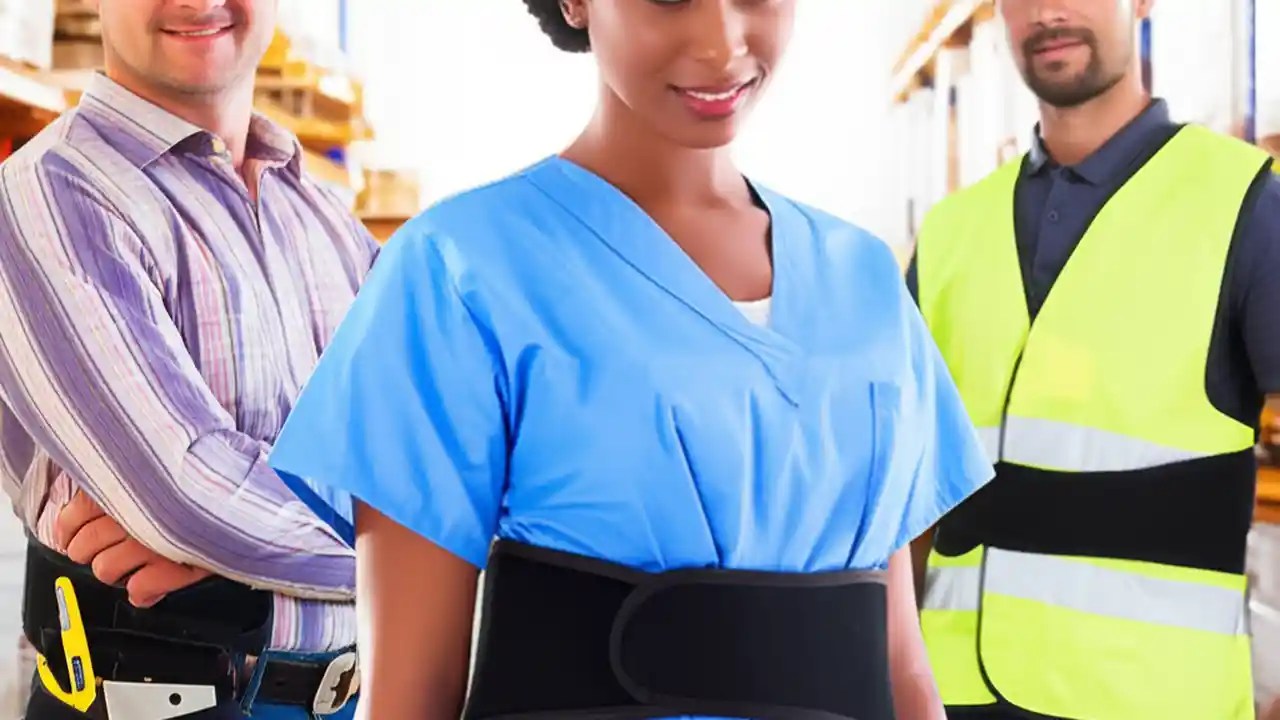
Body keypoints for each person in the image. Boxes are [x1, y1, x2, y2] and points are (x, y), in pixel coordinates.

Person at [266, 1, 995, 719]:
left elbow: (901, 666)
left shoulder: (863, 277)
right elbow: (406, 699)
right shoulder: (461, 268)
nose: (721, 42)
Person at [0, 0, 376, 717]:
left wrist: (238, 548)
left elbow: (455, 463)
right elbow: (186, 492)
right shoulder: (53, 197)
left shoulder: (330, 225)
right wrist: (428, 556)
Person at [906, 0, 1280, 719]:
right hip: (952, 695)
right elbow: (907, 491)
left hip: (1151, 699)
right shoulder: (952, 231)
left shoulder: (1246, 206)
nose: (1048, 12)